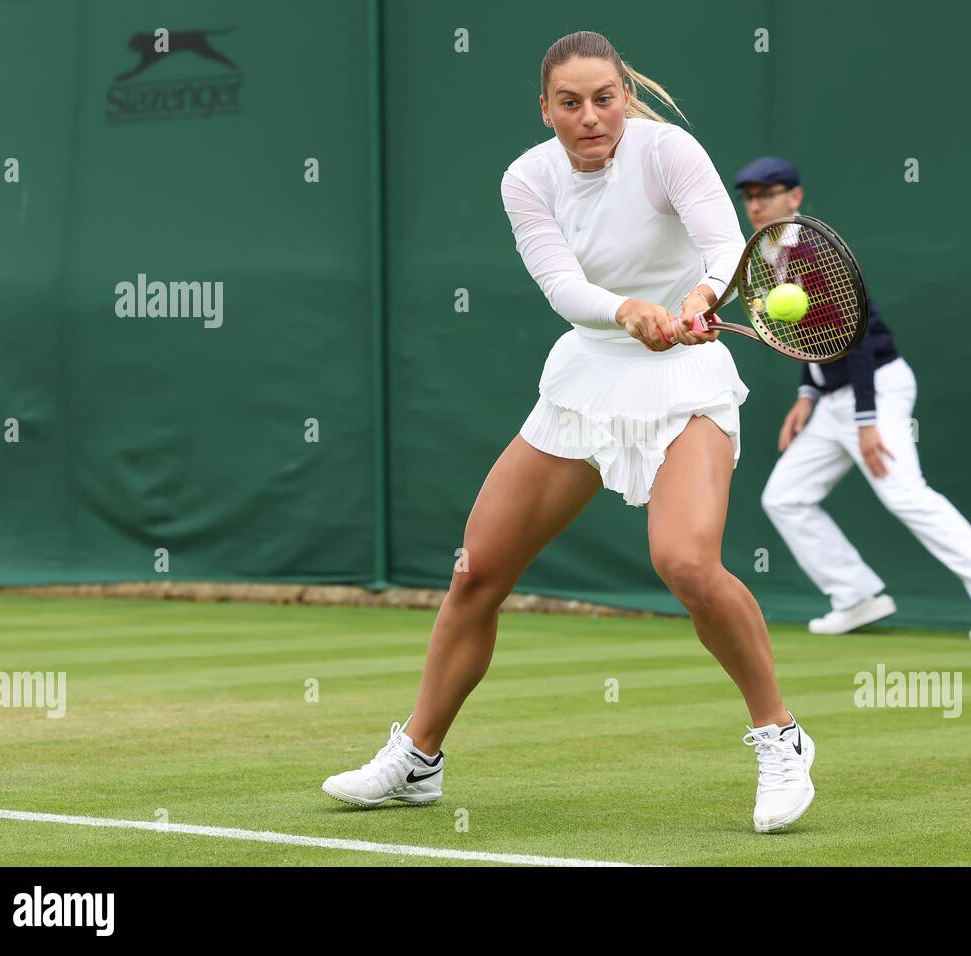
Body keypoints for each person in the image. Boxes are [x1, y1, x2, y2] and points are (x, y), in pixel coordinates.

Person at [322, 32, 815, 833]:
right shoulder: (528, 178)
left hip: (685, 381)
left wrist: (695, 295)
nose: (591, 117)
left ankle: (780, 736)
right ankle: (417, 759)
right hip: (588, 375)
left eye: (604, 98)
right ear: (545, 107)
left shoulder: (669, 151)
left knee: (685, 562)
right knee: (477, 571)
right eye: (570, 103)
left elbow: (729, 247)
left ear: (625, 93)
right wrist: (626, 311)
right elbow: (562, 284)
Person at [743, 156, 971, 643]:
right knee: (785, 497)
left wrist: (866, 417)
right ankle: (855, 595)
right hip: (836, 397)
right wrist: (807, 393)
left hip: (874, 386)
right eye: (750, 198)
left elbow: (853, 339)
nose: (756, 205)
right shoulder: (773, 256)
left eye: (767, 194)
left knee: (905, 494)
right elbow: (815, 336)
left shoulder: (814, 255)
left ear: (794, 198)